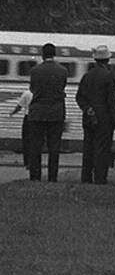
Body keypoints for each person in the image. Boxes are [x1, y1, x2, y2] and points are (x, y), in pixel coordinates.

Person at [76, 46, 115, 184]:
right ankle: (100, 178)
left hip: (88, 119)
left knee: (88, 148)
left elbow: (79, 97)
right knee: (102, 149)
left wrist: (87, 109)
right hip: (104, 120)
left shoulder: (87, 76)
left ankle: (86, 178)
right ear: (107, 60)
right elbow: (112, 100)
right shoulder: (108, 76)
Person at [28, 44, 68, 182]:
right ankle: (52, 177)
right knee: (54, 146)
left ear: (42, 55)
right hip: (56, 112)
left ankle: (35, 176)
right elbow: (62, 87)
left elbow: (33, 89)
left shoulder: (35, 70)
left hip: (37, 111)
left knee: (35, 146)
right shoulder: (63, 70)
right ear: (54, 54)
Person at [9, 88, 32, 164]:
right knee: (36, 142)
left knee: (26, 141)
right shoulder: (40, 93)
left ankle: (27, 161)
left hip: (28, 118)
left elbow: (19, 106)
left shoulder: (27, 93)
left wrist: (12, 113)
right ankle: (34, 162)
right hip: (37, 119)